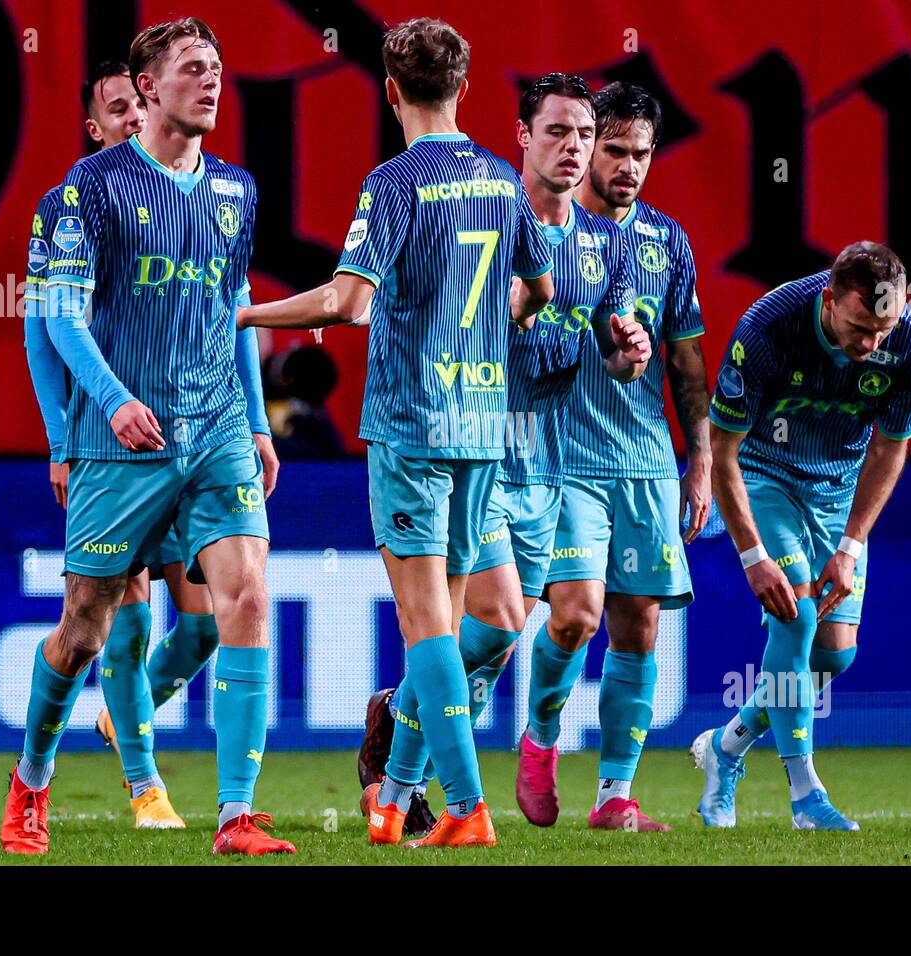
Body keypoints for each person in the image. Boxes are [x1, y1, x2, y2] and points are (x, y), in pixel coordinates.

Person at [237, 17, 555, 848]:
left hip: (415, 423)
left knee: (427, 626)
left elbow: (345, 303)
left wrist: (243, 310)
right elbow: (540, 289)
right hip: (484, 423)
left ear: (389, 91)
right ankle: (393, 801)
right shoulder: (499, 178)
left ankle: (467, 809)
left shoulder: (394, 181)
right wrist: (489, 323)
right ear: (466, 83)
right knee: (448, 620)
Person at [3, 16, 292, 856]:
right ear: (150, 85)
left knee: (244, 599)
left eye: (219, 68)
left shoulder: (237, 190)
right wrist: (109, 403)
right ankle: (32, 780)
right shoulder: (86, 191)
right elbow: (54, 314)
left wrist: (253, 418)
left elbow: (229, 310)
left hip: (216, 436)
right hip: (120, 443)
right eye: (194, 68)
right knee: (86, 626)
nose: (211, 81)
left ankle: (236, 815)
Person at [355, 72, 651, 842]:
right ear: (523, 136)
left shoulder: (603, 244)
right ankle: (426, 792)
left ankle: (394, 779)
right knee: (497, 618)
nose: (574, 148)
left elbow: (608, 350)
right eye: (556, 132)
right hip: (474, 450)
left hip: (548, 466)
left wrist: (626, 353)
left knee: (491, 639)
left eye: (585, 135)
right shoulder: (485, 208)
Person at [515, 82, 712, 831]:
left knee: (639, 625)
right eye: (615, 149)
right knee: (574, 615)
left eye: (642, 153)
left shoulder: (667, 240)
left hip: (646, 463)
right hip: (563, 456)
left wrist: (697, 460)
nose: (628, 166)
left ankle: (614, 797)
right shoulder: (546, 230)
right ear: (585, 147)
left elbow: (687, 363)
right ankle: (540, 738)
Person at [691, 241, 911, 831]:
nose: (872, 344)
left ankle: (725, 747)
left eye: (885, 328)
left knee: (834, 653)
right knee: (797, 618)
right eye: (860, 327)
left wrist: (851, 545)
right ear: (830, 301)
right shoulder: (768, 328)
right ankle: (806, 796)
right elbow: (722, 451)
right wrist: (752, 555)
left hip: (836, 489)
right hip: (764, 474)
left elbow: (890, 445)